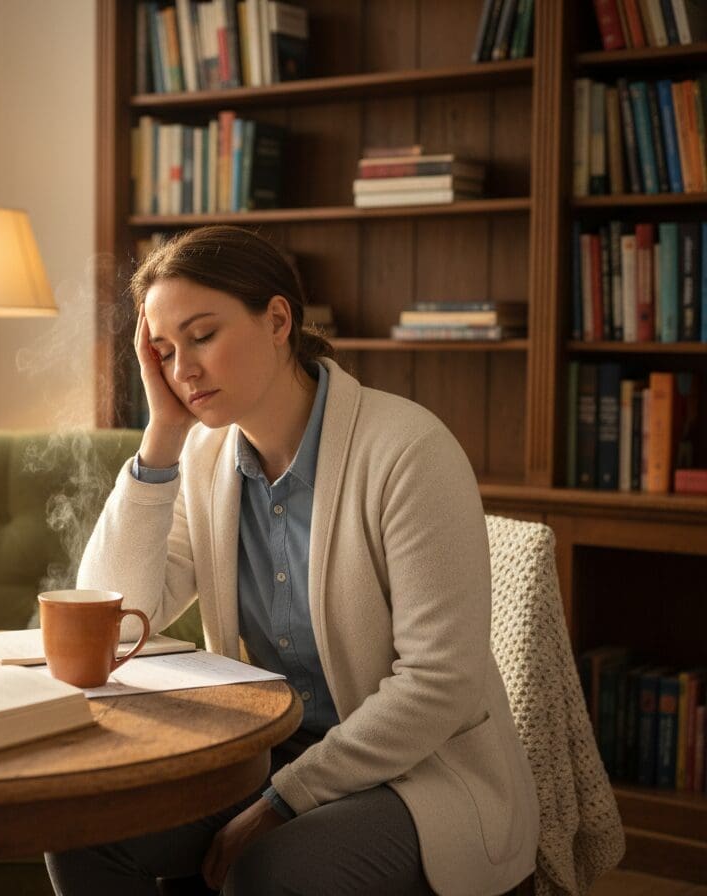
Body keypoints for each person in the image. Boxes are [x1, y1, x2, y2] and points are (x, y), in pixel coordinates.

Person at [44, 225, 539, 896]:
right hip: (265, 758)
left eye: (202, 336)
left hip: (421, 776)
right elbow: (110, 616)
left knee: (269, 872)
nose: (182, 370)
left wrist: (283, 800)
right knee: (82, 832)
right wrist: (161, 436)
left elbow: (438, 685)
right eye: (163, 352)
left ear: (278, 321)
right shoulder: (203, 460)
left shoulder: (409, 452)